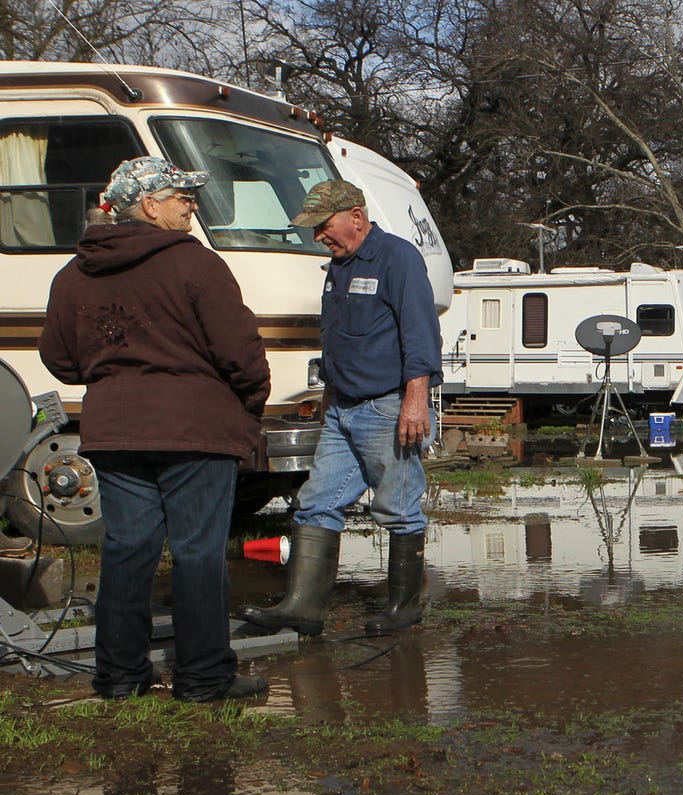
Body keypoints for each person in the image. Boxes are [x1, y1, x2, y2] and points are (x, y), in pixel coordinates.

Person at [38, 156, 271, 701]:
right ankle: (205, 678)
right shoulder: (195, 264)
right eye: (182, 198)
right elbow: (241, 351)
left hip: (114, 430)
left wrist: (111, 377)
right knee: (197, 553)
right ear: (148, 205)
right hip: (194, 428)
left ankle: (119, 678)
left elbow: (59, 359)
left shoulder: (73, 274)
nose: (192, 207)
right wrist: (250, 404)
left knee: (126, 551)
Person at [240, 179, 441, 636]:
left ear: (356, 215)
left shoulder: (397, 258)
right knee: (315, 503)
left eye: (324, 226)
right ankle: (303, 607)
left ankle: (404, 607)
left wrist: (415, 399)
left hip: (388, 407)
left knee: (399, 507)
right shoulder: (338, 266)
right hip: (341, 408)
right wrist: (328, 398)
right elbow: (337, 338)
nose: (319, 238)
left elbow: (420, 333)